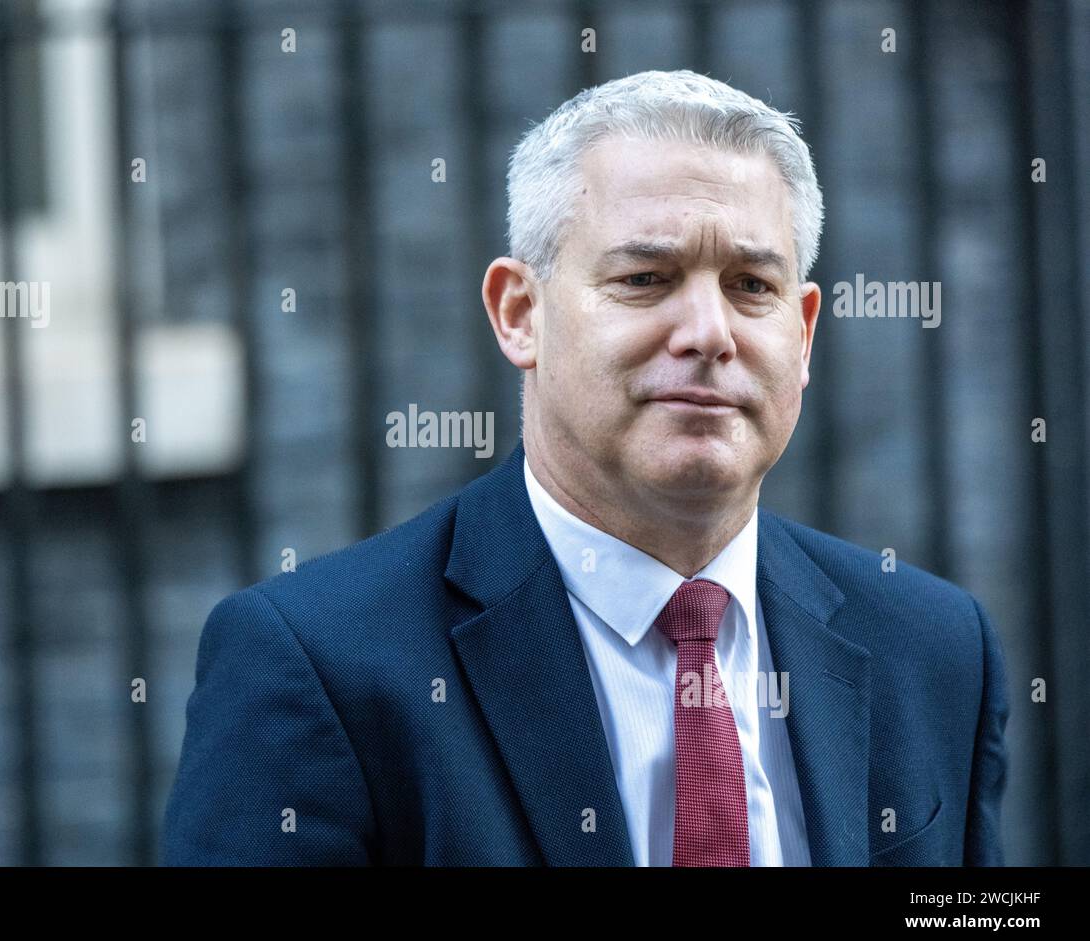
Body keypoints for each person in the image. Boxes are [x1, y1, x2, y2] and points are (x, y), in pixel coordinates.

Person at [162, 70, 1008, 866]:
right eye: (646, 278)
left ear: (806, 331)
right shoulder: (319, 664)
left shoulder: (932, 649)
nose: (709, 332)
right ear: (519, 314)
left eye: (752, 286)